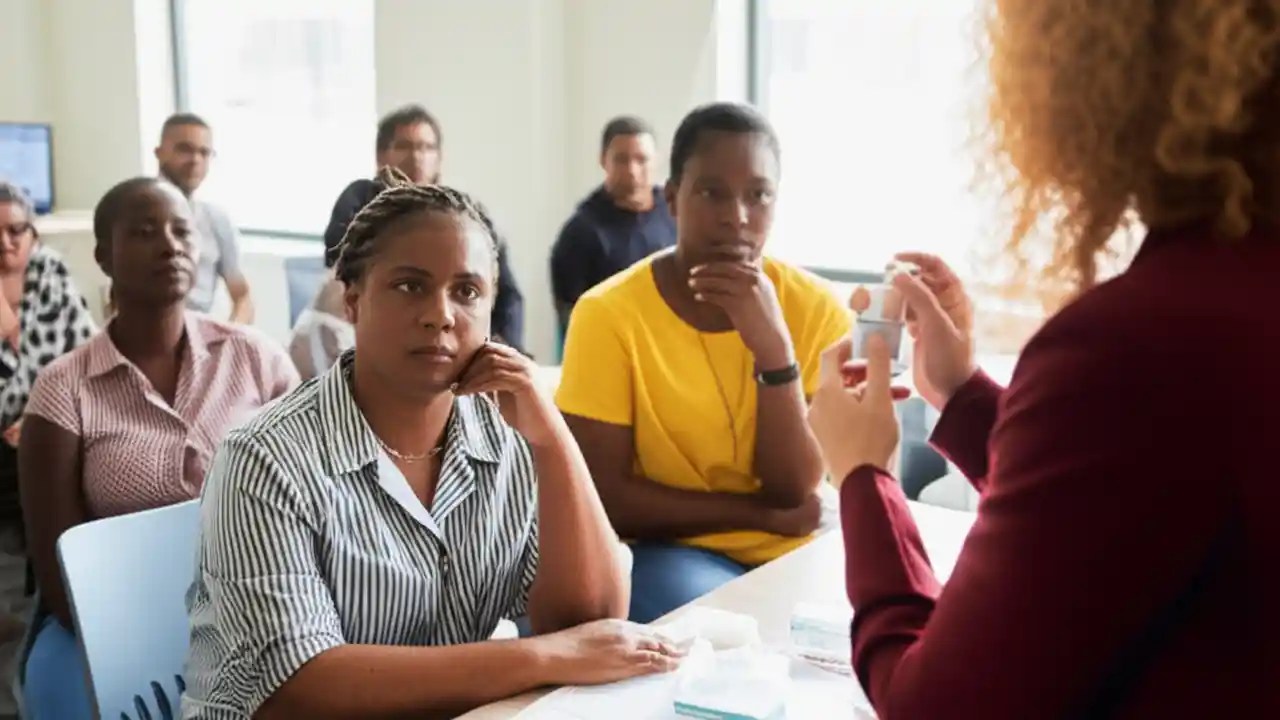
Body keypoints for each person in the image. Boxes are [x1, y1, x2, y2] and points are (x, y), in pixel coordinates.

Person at [805, 1, 1280, 717]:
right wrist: (961, 394)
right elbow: (1134, 496)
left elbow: (936, 708)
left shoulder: (1137, 340)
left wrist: (863, 476)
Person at [183, 171, 681, 719]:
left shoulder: (505, 438)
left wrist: (553, 440)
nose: (440, 314)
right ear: (352, 301)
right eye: (410, 286)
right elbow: (302, 688)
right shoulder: (265, 458)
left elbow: (592, 623)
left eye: (466, 292)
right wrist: (541, 656)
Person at [556, 102, 851, 623]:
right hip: (673, 551)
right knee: (719, 631)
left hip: (799, 551)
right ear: (672, 198)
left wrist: (773, 351)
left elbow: (794, 488)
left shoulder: (817, 307)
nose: (736, 216)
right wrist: (759, 515)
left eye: (758, 195)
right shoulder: (608, 314)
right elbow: (604, 497)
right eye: (712, 192)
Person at [18, 177, 299, 719]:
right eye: (146, 232)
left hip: (255, 606)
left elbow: (314, 499)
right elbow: (60, 574)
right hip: (106, 620)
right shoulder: (65, 388)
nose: (170, 245)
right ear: (105, 257)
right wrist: (154, 640)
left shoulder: (257, 361)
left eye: (181, 231)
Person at [0, 181, 96, 714]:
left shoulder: (51, 272)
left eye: (18, 231)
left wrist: (37, 413)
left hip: (48, 438)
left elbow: (79, 358)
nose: (8, 244)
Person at [323, 105, 526, 352]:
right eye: (404, 146)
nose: (416, 156)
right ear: (380, 156)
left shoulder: (464, 216)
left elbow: (508, 295)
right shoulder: (361, 197)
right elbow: (339, 260)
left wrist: (505, 350)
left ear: (439, 158)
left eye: (426, 147)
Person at [550, 116, 676, 331]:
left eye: (641, 159)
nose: (632, 171)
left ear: (657, 160)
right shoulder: (580, 232)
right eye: (621, 159)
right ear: (603, 160)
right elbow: (573, 316)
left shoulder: (677, 212)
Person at [155, 113, 255, 323]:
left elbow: (242, 296)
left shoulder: (216, 219)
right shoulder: (132, 211)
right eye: (185, 149)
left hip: (202, 336)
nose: (195, 160)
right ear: (159, 153)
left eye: (204, 152)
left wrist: (229, 338)